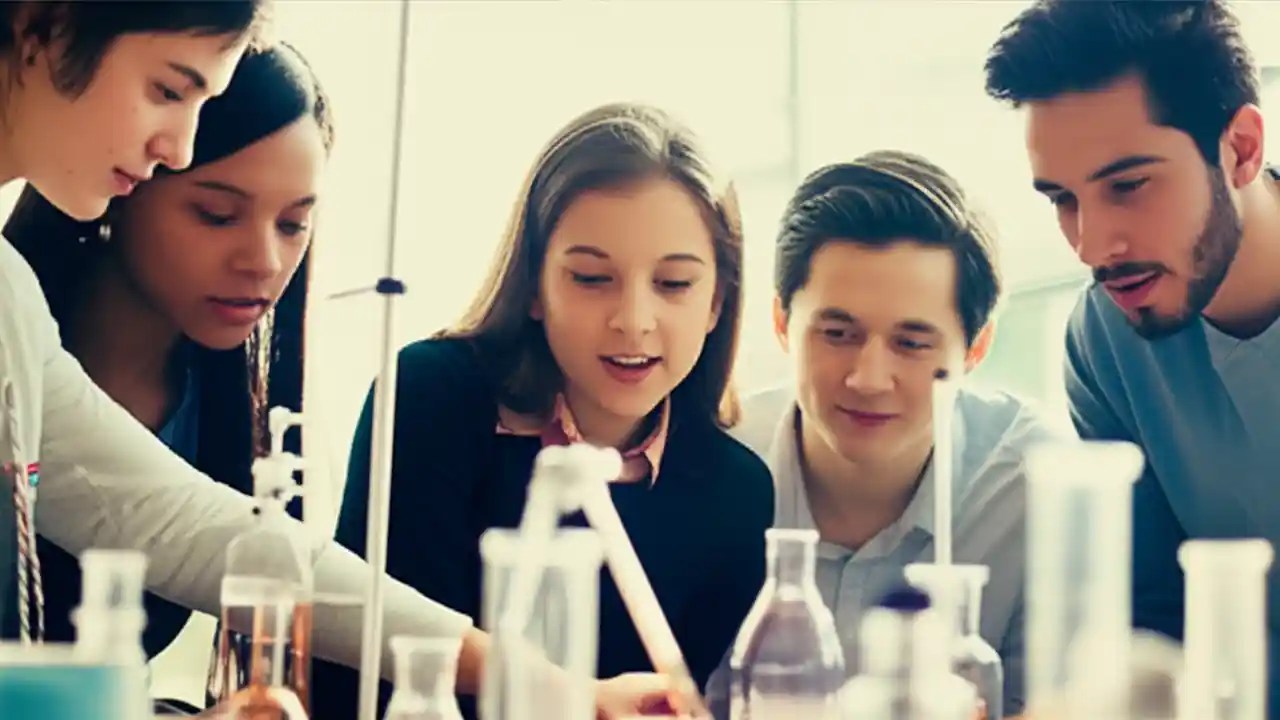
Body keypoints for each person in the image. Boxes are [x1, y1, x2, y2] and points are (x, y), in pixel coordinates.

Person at [0, 4, 669, 714]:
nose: (180, 144)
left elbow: (184, 524)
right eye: (168, 90)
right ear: (47, 24)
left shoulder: (11, 299)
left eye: (295, 222)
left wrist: (561, 688)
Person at [312, 102, 775, 720]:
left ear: (718, 301)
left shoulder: (736, 493)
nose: (633, 321)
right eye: (590, 278)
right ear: (534, 285)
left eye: (674, 285)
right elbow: (373, 674)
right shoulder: (431, 400)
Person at [984, 0, 1280, 714]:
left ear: (1241, 148)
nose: (1091, 246)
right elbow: (1154, 622)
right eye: (1062, 199)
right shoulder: (1107, 340)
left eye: (1129, 186)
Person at [706, 150, 1061, 718]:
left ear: (976, 347)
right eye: (838, 332)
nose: (868, 380)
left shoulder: (1036, 483)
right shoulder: (705, 462)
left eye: (911, 343)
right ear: (780, 324)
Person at [5, 39, 326, 663]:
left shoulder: (233, 407)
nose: (263, 262)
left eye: (293, 225)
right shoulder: (16, 336)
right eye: (215, 214)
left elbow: (198, 531)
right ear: (125, 182)